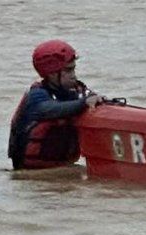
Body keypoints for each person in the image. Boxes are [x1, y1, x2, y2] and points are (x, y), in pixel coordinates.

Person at [8, 40, 108, 170]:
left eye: (74, 69)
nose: (74, 76)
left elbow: (88, 100)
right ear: (52, 73)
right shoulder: (36, 96)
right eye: (68, 70)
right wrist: (84, 102)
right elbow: (50, 109)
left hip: (63, 169)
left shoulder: (77, 92)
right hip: (30, 174)